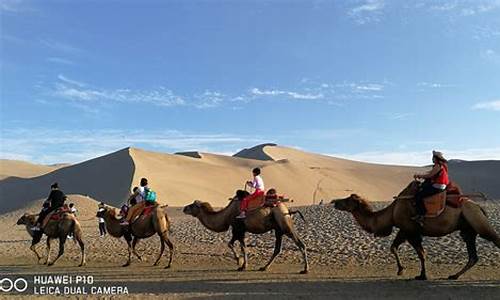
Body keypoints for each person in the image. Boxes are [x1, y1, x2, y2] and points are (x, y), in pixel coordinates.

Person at [412, 151, 450, 225]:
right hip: (439, 185)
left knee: (419, 195)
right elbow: (429, 173)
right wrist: (420, 174)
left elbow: (430, 175)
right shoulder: (439, 166)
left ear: (436, 158)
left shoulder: (438, 166)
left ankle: (421, 215)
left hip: (437, 186)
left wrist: (420, 176)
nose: (432, 159)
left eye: (433, 157)